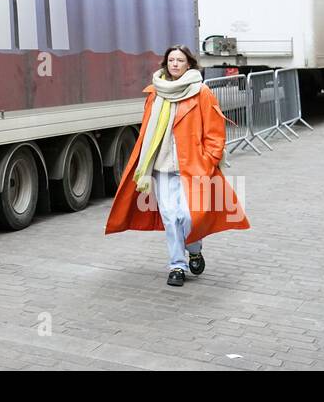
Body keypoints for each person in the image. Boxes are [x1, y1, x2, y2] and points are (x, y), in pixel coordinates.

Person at [104, 46, 250, 286]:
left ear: (189, 64)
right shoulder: (156, 92)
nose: (174, 64)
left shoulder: (201, 92)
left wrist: (209, 159)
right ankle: (177, 266)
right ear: (165, 63)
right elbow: (148, 131)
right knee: (170, 217)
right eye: (171, 60)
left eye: (179, 60)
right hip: (162, 165)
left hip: (193, 167)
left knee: (189, 216)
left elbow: (215, 131)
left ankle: (194, 248)